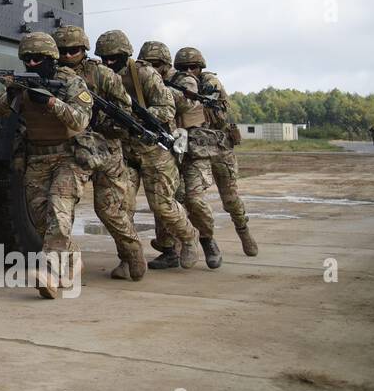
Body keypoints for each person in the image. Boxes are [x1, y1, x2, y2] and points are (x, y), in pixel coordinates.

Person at [0, 31, 94, 298]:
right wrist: (12, 93)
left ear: (50, 58)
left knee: (58, 215)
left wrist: (50, 101)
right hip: (36, 158)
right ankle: (72, 260)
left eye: (38, 58)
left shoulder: (71, 82)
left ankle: (48, 273)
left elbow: (80, 120)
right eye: (27, 59)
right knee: (40, 221)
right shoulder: (23, 84)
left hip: (68, 158)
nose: (32, 64)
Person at [96, 32, 199, 270]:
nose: (109, 62)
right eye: (104, 58)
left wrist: (136, 118)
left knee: (162, 204)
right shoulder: (102, 77)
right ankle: (129, 258)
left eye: (115, 57)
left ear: (126, 54)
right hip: (126, 152)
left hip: (155, 150)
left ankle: (189, 237)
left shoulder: (144, 73)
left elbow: (167, 109)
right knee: (122, 208)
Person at [52, 26, 146, 280]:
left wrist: (104, 123)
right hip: (74, 150)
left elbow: (125, 109)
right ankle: (61, 261)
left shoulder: (101, 74)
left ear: (83, 50)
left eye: (73, 51)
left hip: (107, 148)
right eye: (62, 51)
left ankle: (132, 253)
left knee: (109, 209)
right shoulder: (55, 75)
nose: (68, 55)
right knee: (60, 201)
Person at [139, 41, 219, 268]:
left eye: (156, 65)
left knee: (193, 199)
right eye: (147, 65)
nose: (152, 69)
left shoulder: (184, 80)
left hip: (192, 150)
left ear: (165, 64)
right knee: (164, 198)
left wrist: (153, 88)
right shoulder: (146, 80)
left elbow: (185, 101)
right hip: (168, 149)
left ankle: (206, 239)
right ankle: (168, 250)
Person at [176, 47, 257, 257]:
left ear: (201, 67)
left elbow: (220, 117)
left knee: (230, 198)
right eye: (184, 68)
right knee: (191, 199)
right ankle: (201, 240)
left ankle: (243, 230)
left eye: (193, 67)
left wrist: (198, 99)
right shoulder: (178, 85)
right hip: (197, 149)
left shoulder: (210, 83)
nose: (189, 71)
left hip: (220, 147)